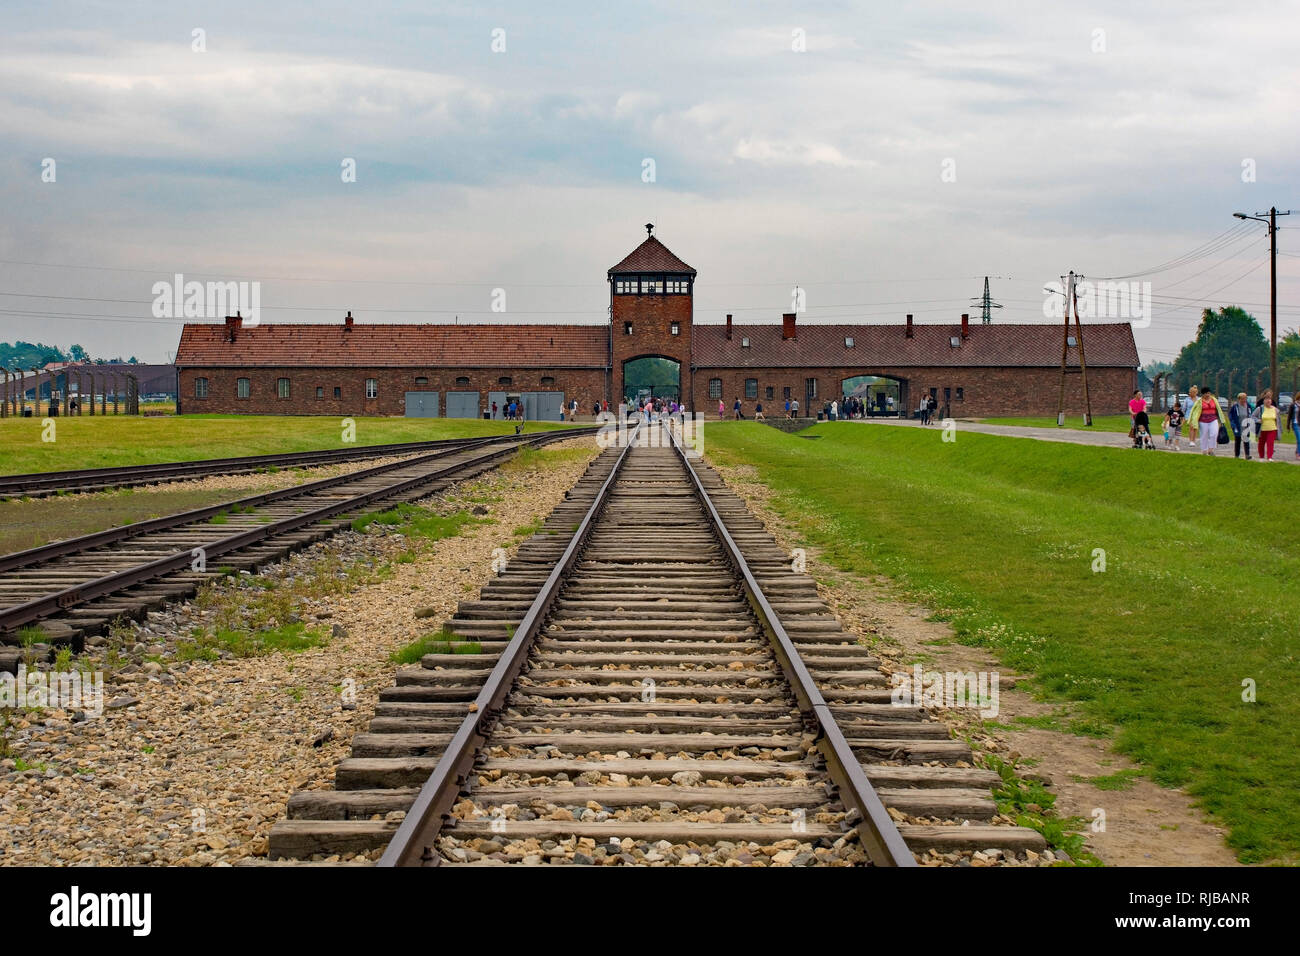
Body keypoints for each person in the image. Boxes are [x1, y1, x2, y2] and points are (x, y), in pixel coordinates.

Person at [1187, 387, 1229, 455]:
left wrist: (1221, 420)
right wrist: (1192, 421)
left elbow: (1218, 410)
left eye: (1209, 393)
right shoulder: (1199, 401)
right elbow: (1194, 411)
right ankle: (1204, 450)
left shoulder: (1214, 400)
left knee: (1214, 433)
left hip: (1213, 419)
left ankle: (1211, 449)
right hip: (1203, 420)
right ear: (1202, 394)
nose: (1208, 395)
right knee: (1204, 435)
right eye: (1206, 393)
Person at [1229, 393, 1254, 460]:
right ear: (1239, 399)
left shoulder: (1248, 406)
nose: (1244, 400)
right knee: (1238, 440)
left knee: (1246, 440)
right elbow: (1231, 415)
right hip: (1238, 425)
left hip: (1246, 425)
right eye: (1242, 398)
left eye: (1245, 398)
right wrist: (1233, 424)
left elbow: (1251, 414)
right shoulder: (1235, 407)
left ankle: (1247, 455)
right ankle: (1237, 455)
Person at [1256, 391, 1279, 461]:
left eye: (1269, 400)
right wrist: (1258, 420)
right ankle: (1261, 457)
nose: (1268, 401)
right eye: (1266, 400)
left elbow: (1278, 420)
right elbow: (1253, 416)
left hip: (1272, 429)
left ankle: (1270, 457)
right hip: (1262, 429)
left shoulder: (1275, 410)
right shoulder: (1260, 408)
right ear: (1264, 401)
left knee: (1270, 443)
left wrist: (1279, 428)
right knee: (1261, 443)